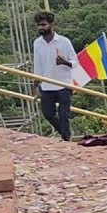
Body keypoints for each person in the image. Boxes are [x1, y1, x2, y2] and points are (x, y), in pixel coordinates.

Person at [32, 11, 76, 141]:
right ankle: (65, 133)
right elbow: (38, 65)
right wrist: (36, 85)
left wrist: (65, 62)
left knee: (64, 115)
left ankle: (66, 138)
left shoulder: (64, 42)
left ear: (52, 24)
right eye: (39, 25)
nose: (41, 28)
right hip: (46, 85)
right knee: (48, 114)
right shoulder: (37, 43)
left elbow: (75, 62)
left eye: (44, 24)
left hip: (64, 84)